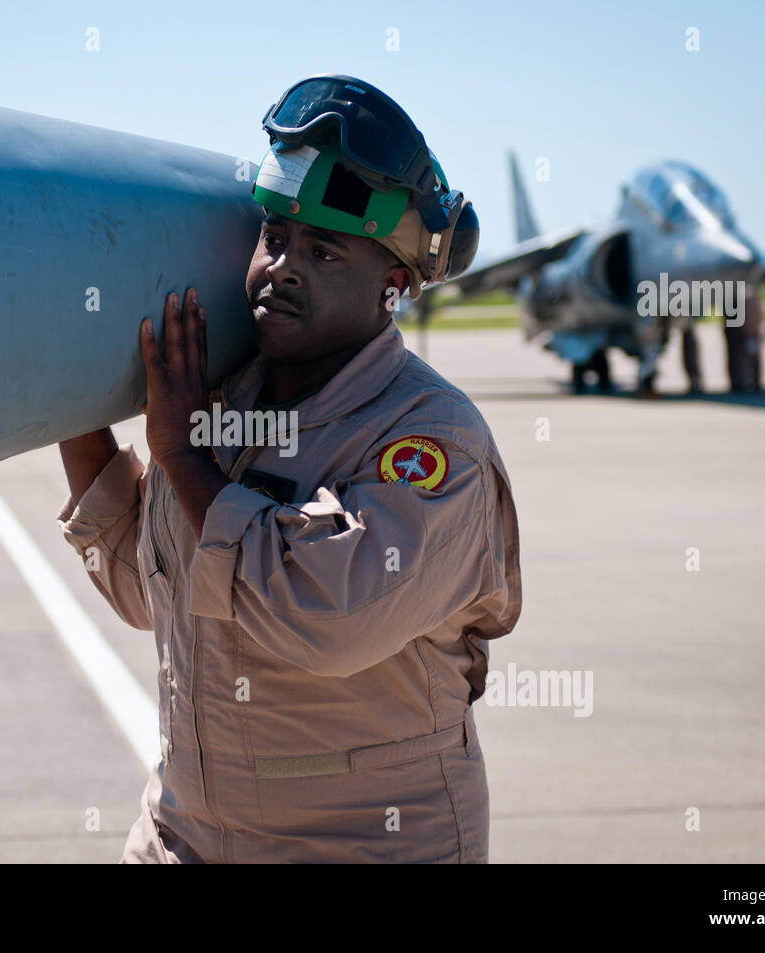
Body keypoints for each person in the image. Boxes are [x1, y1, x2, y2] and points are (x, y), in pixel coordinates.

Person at [56, 74, 520, 863]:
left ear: (394, 284)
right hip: (185, 832)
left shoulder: (434, 442)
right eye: (274, 237)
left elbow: (326, 616)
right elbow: (149, 589)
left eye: (324, 251)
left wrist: (179, 454)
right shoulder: (220, 406)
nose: (282, 266)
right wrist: (67, 392)